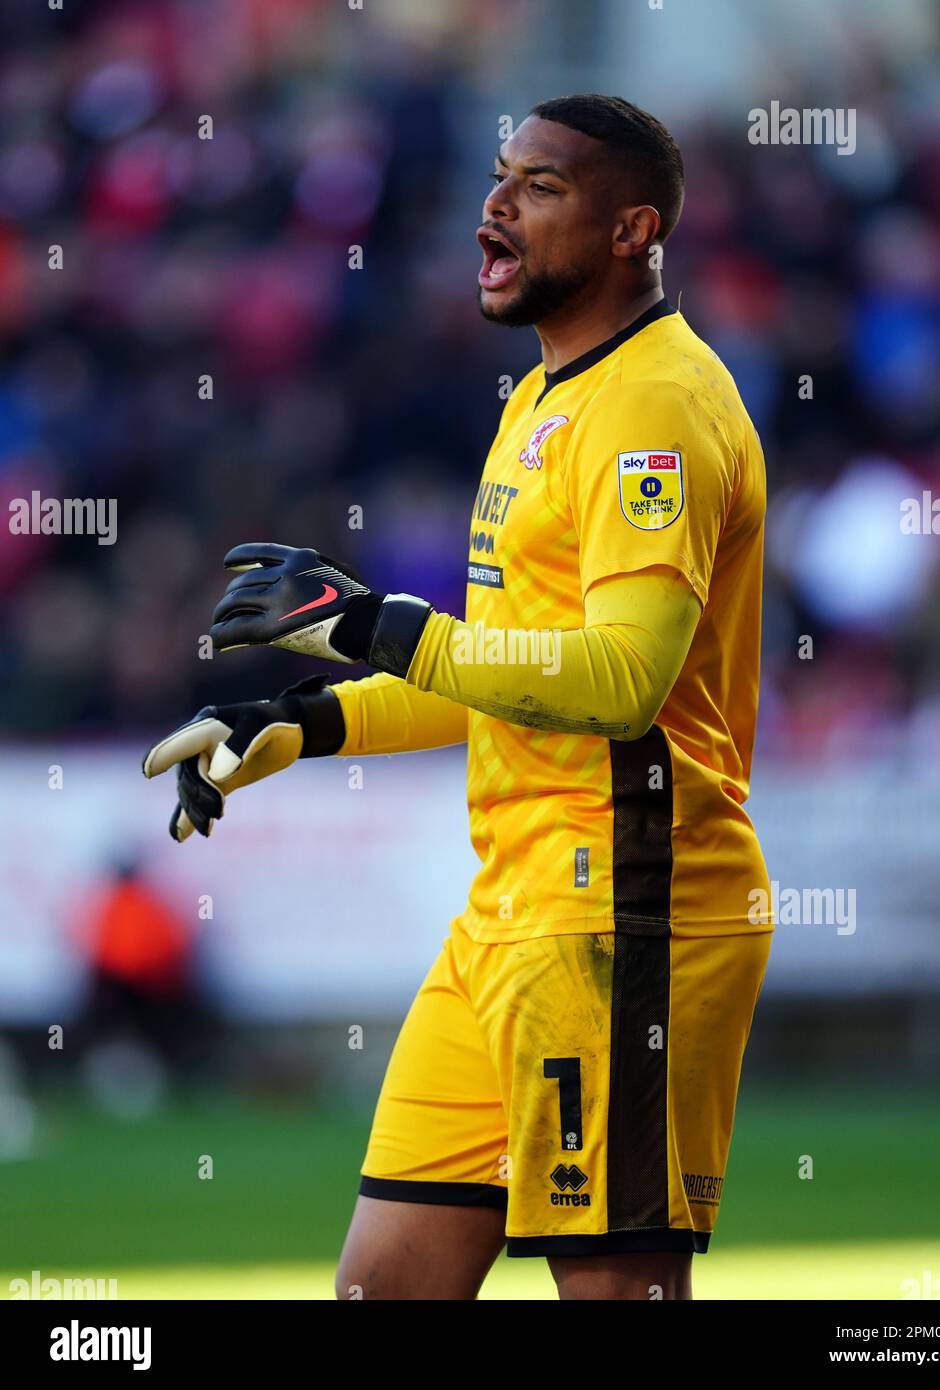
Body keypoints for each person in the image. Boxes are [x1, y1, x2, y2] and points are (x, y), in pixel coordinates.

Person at [144, 94, 773, 1300]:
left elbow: (623, 679)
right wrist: (310, 716)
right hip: (511, 914)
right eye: (498, 176)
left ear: (633, 227)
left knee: (615, 1292)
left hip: (628, 908)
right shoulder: (544, 395)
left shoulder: (655, 405)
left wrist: (373, 625)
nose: (494, 206)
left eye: (540, 186)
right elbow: (513, 667)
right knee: (384, 1286)